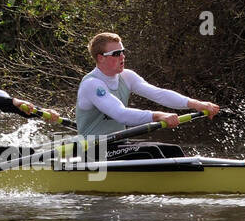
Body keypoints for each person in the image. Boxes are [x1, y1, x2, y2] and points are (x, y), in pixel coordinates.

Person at [75, 32, 220, 160]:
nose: (122, 56)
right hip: (93, 150)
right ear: (100, 58)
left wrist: (198, 104)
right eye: (116, 53)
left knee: (173, 149)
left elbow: (159, 94)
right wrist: (158, 115)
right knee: (151, 152)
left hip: (118, 144)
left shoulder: (127, 76)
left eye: (123, 51)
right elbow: (120, 114)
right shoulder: (92, 84)